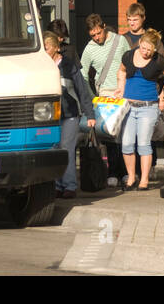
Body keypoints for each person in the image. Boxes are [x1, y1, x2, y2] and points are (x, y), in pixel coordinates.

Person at [116, 30, 164, 191]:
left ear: (154, 49)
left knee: (144, 144)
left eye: (149, 50)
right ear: (139, 43)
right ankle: (131, 176)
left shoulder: (159, 61)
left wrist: (162, 96)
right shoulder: (128, 55)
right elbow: (122, 71)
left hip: (148, 106)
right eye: (143, 48)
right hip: (129, 107)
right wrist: (120, 88)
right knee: (126, 143)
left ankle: (144, 179)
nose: (145, 52)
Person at [45, 32, 94, 199]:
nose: (45, 50)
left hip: (69, 114)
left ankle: (70, 186)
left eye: (47, 47)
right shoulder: (42, 66)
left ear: (56, 48)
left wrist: (90, 114)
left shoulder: (68, 65)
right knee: (53, 149)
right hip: (49, 117)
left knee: (66, 149)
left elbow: (81, 89)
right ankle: (57, 185)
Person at [79, 13, 128, 181]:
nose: (97, 37)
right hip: (105, 93)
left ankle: (127, 172)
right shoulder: (89, 48)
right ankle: (113, 172)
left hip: (123, 91)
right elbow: (83, 75)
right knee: (110, 134)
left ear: (104, 27)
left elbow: (129, 62)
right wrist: (92, 97)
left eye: (98, 33)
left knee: (125, 133)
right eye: (93, 35)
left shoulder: (119, 41)